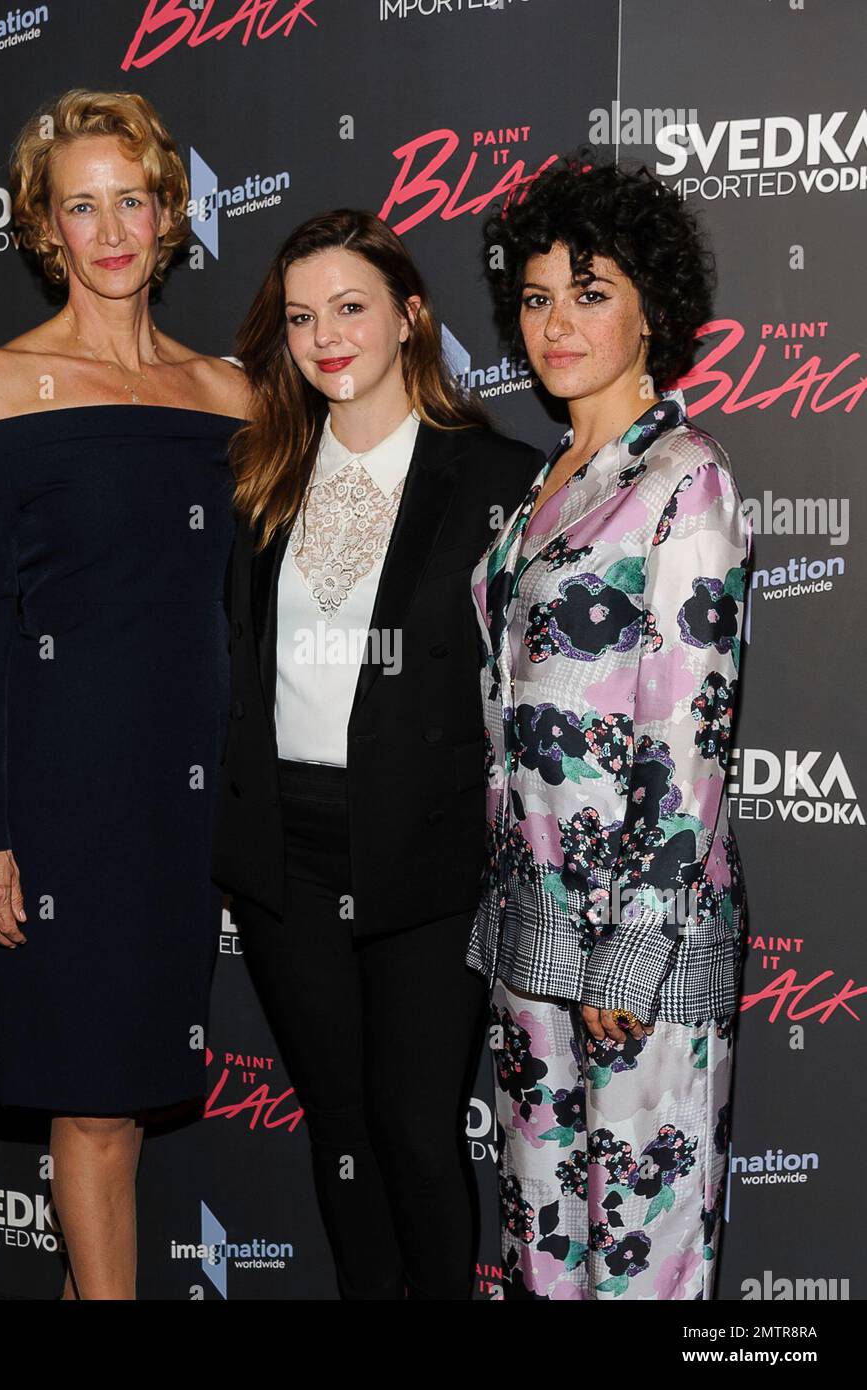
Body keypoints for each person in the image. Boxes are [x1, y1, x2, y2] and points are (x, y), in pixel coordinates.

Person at [0, 88, 252, 1300]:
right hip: (55, 802)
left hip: (182, 804)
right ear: (44, 226)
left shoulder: (228, 394)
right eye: (82, 204)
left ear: (169, 211)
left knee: (127, 1099)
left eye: (132, 198)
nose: (110, 228)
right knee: (97, 1110)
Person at [211, 208, 543, 1299]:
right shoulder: (262, 472)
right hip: (284, 858)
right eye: (301, 317)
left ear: (408, 317)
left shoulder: (499, 480)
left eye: (351, 307)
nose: (326, 337)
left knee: (412, 1130)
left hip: (428, 855)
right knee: (341, 1129)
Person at [469, 155, 753, 1300]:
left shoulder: (686, 479)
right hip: (533, 927)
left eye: (589, 292)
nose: (557, 322)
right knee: (542, 1257)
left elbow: (691, 738)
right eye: (536, 297)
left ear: (651, 309)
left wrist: (630, 954)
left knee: (643, 1263)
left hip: (644, 943)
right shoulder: (546, 483)